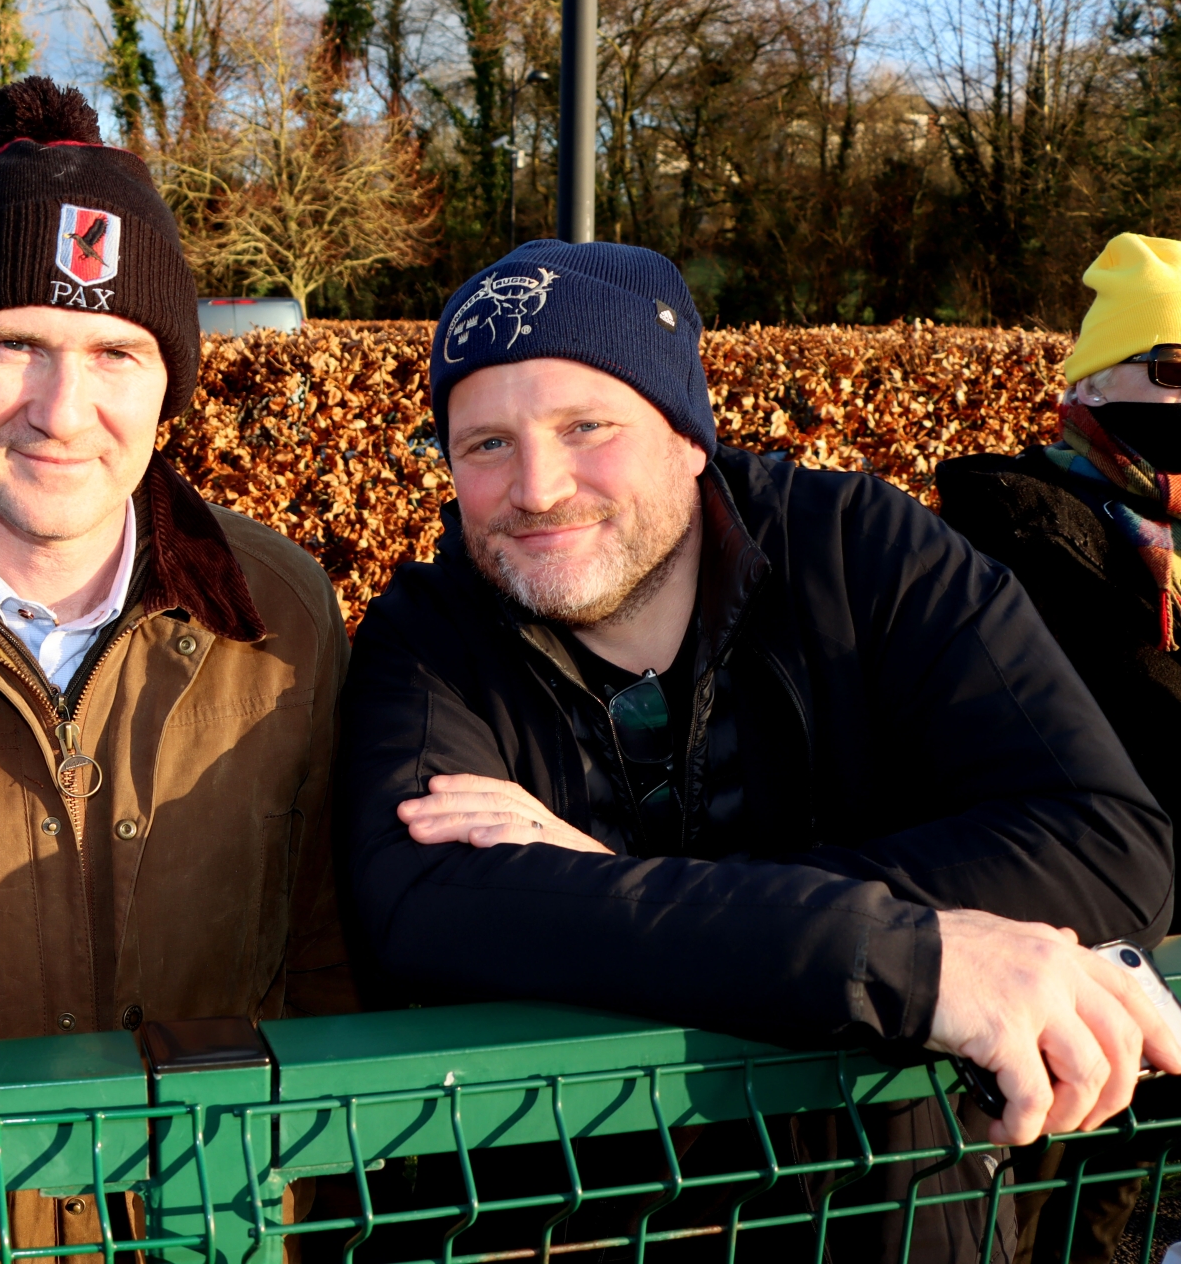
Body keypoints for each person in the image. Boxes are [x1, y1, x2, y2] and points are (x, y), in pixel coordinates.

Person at [334, 239, 1180, 1262]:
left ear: (688, 434)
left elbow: (1107, 843)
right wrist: (909, 957)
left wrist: (619, 893)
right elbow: (421, 901)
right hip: (570, 1233)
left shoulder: (861, 551)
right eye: (485, 445)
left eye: (587, 425)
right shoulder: (432, 636)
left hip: (891, 1221)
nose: (539, 487)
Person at [0, 77, 355, 1257]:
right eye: (12, 342)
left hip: (223, 1237)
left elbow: (326, 951)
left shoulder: (282, 610)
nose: (63, 410)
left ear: (170, 375)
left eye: (116, 351)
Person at [938, 233, 1181, 1264]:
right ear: (1096, 380)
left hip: (1168, 968)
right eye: (1172, 370)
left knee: (1124, 1216)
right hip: (1050, 965)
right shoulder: (1019, 537)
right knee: (1033, 1226)